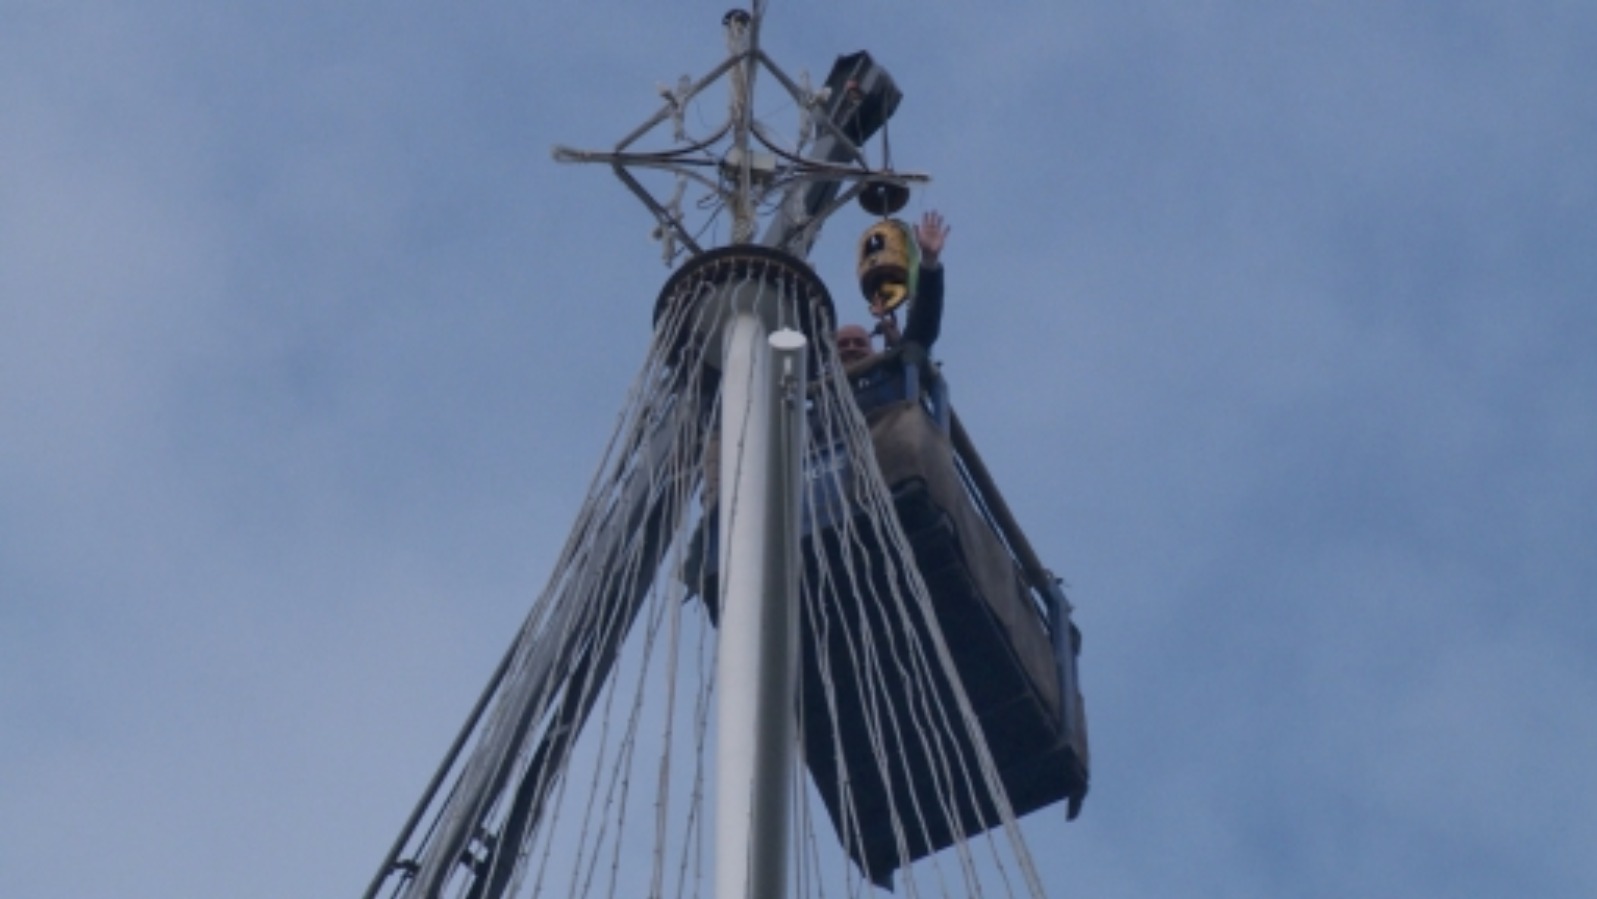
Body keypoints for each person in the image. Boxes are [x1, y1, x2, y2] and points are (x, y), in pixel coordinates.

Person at [838, 209, 950, 367]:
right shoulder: (814, 387)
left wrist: (929, 261)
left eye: (859, 343)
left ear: (872, 350)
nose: (851, 348)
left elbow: (922, 329)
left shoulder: (889, 374)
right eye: (843, 344)